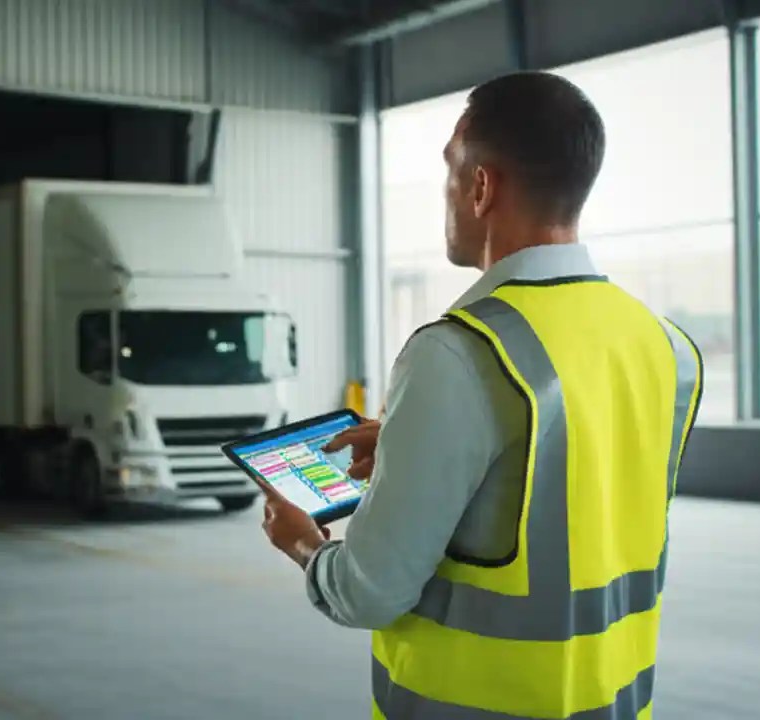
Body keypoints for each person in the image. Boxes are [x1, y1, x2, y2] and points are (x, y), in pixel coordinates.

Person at [260, 71, 703, 719]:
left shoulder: (458, 353)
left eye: (449, 170)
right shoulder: (665, 345)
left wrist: (302, 542)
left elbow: (367, 593)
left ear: (480, 185)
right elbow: (569, 486)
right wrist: (429, 447)